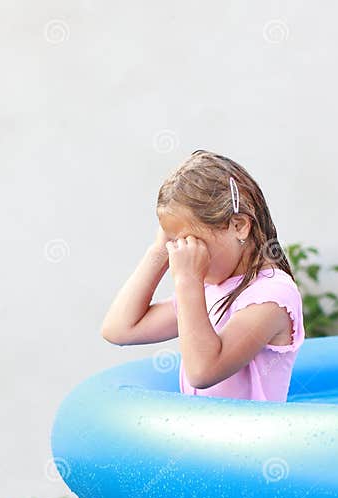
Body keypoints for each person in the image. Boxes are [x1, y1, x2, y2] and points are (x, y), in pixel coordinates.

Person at [100, 150, 305, 402]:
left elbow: (203, 371)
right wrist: (159, 251)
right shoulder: (211, 290)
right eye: (176, 243)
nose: (183, 253)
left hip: (250, 430)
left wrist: (187, 281)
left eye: (192, 242)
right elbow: (119, 329)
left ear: (239, 225)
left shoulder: (272, 295)